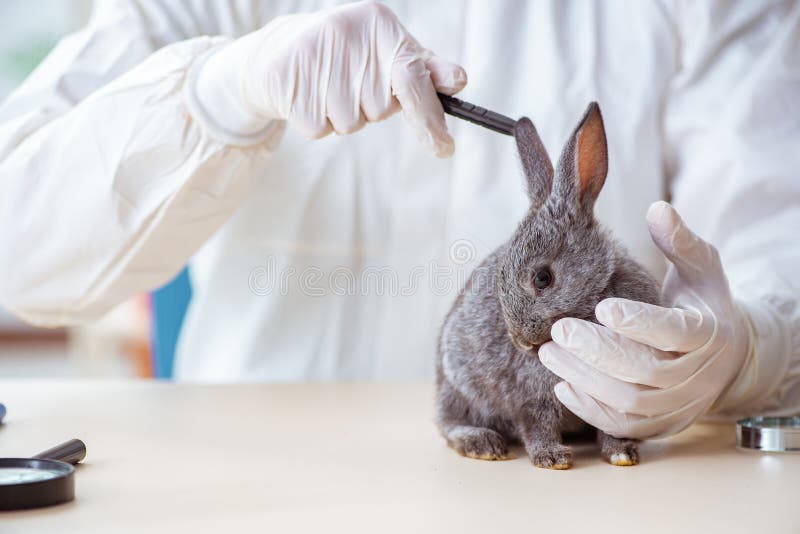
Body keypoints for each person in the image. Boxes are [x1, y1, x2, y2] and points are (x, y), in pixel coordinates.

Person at [0, 0, 798, 439]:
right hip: (261, 483)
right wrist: (219, 90)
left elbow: (779, 230)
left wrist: (745, 347)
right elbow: (21, 251)